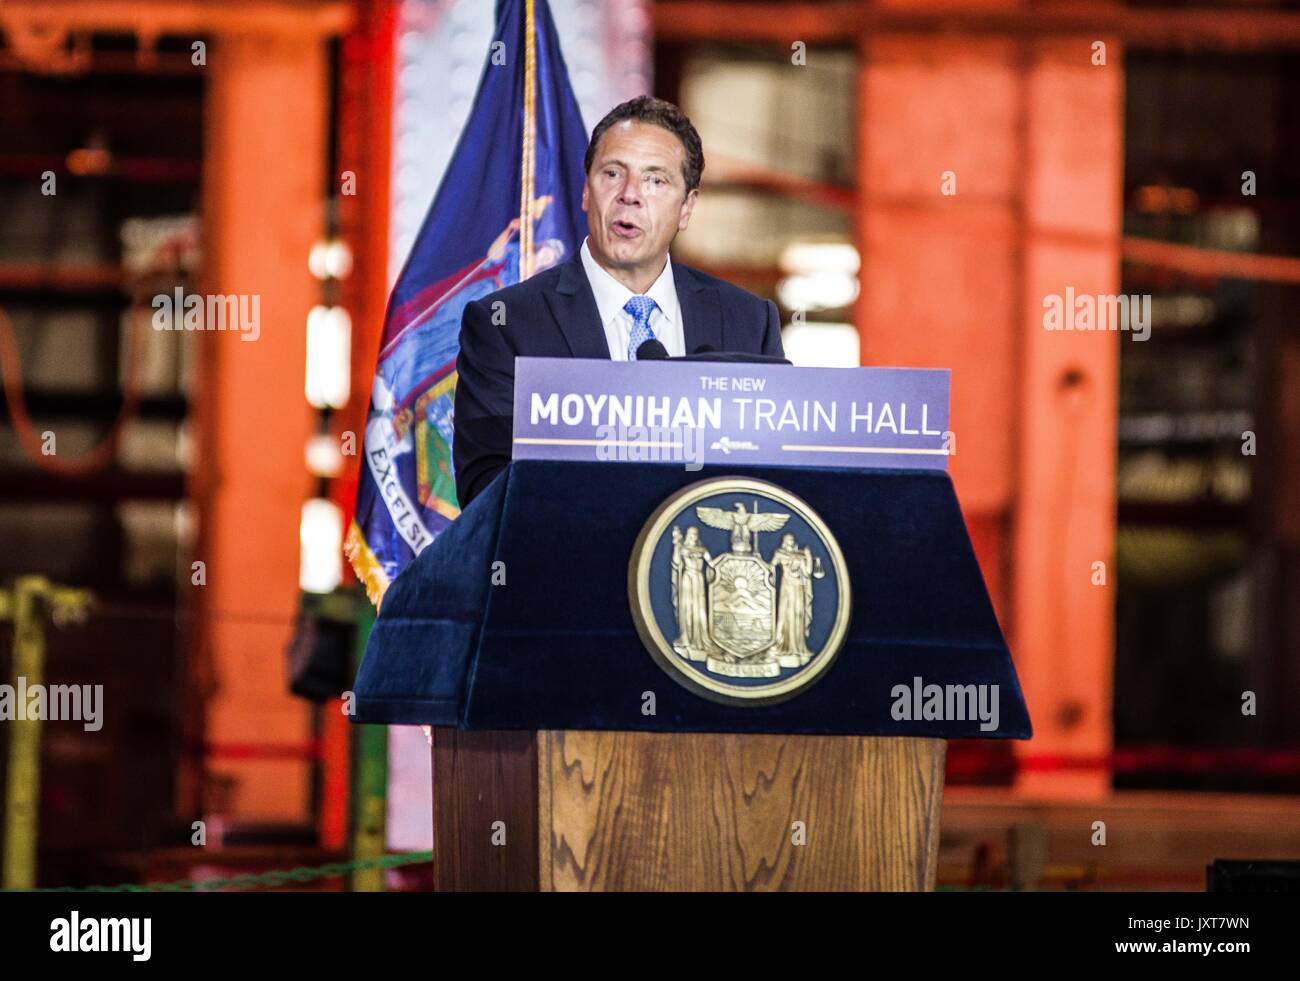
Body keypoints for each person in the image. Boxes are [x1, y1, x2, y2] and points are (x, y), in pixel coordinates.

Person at [453, 96, 786, 506]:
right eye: (612, 173)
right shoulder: (505, 324)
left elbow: (771, 481)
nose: (630, 195)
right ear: (586, 192)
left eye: (656, 180)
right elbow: (484, 491)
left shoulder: (749, 321)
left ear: (687, 208)